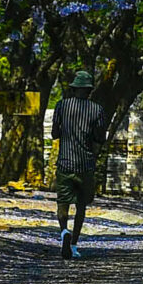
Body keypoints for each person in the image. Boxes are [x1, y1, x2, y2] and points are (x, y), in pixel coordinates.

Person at [52, 70, 109, 258]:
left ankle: (63, 232)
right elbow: (100, 138)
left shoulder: (61, 106)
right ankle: (74, 244)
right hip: (85, 165)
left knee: (63, 203)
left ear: (74, 89)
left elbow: (54, 134)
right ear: (89, 91)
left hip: (65, 163)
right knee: (81, 206)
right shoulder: (97, 110)